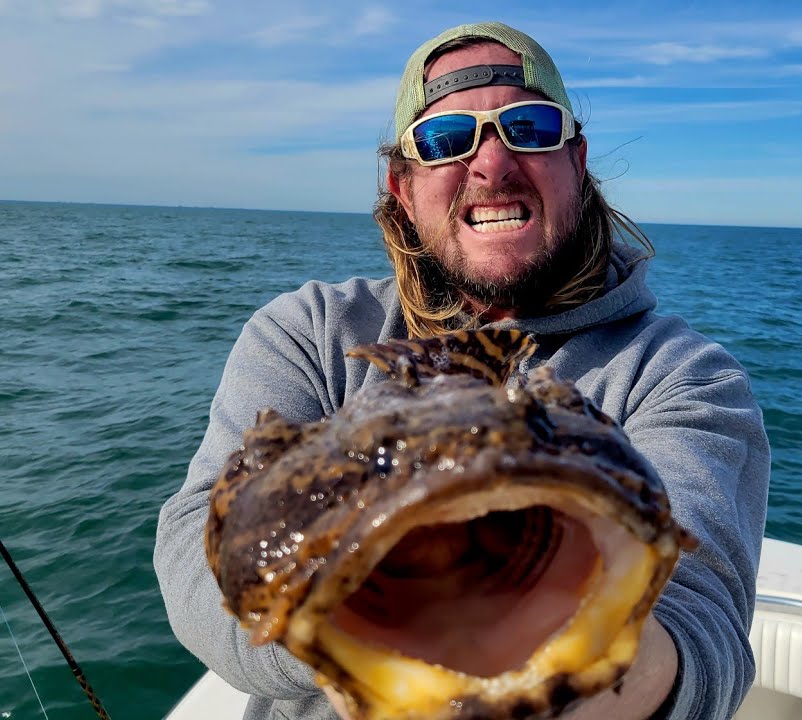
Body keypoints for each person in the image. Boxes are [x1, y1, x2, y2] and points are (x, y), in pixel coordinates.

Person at [154, 21, 769, 720]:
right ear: (402, 185)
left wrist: (567, 649)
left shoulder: (683, 376)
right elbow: (195, 542)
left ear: (577, 162)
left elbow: (701, 623)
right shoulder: (311, 332)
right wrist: (365, 616)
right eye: (446, 140)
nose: (493, 163)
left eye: (530, 129)